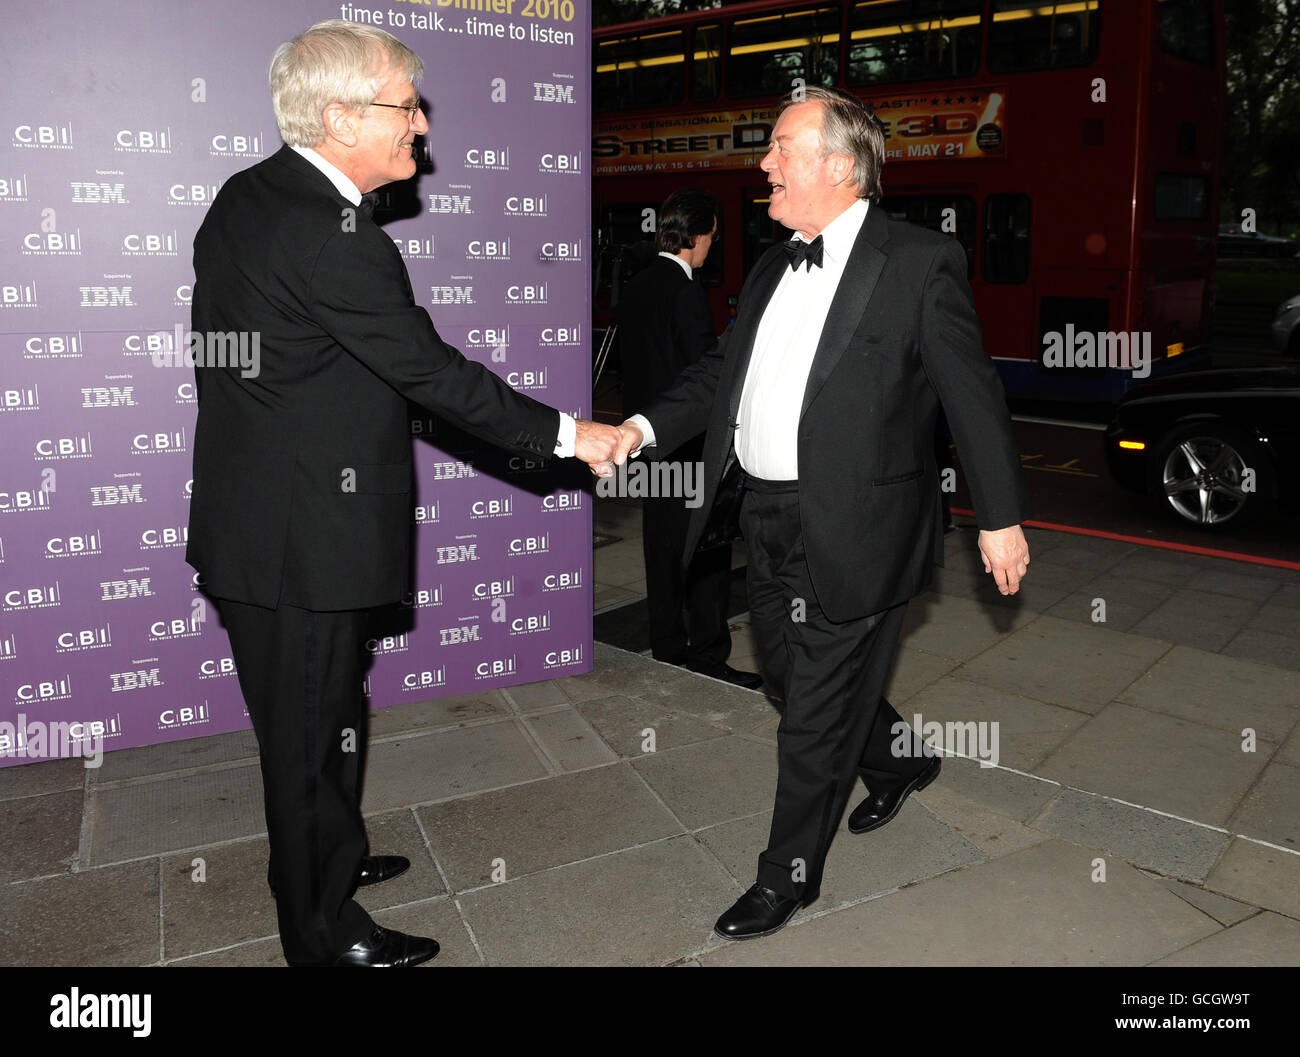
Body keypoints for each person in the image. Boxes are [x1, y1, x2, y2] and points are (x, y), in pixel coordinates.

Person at [186, 20, 623, 967]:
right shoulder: (331, 234)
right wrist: (570, 434)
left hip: (267, 522)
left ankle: (327, 858)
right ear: (342, 118)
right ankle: (321, 931)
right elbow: (430, 372)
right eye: (407, 105)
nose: (421, 123)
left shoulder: (251, 193)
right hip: (301, 540)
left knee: (323, 717)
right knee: (310, 740)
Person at [611, 87, 1032, 940]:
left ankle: (787, 876)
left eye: (780, 148)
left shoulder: (919, 261)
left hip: (863, 524)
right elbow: (721, 374)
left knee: (811, 713)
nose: (763, 163)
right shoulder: (774, 263)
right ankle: (900, 759)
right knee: (786, 677)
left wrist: (1000, 515)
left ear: (839, 166)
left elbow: (971, 392)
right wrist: (641, 426)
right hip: (764, 517)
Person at [614, 190, 760, 689]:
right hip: (691, 447)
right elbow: (704, 378)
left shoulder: (635, 286)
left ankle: (668, 646)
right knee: (706, 552)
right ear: (696, 236)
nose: (711, 247)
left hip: (648, 442)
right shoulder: (687, 291)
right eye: (712, 237)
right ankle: (709, 655)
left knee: (660, 548)